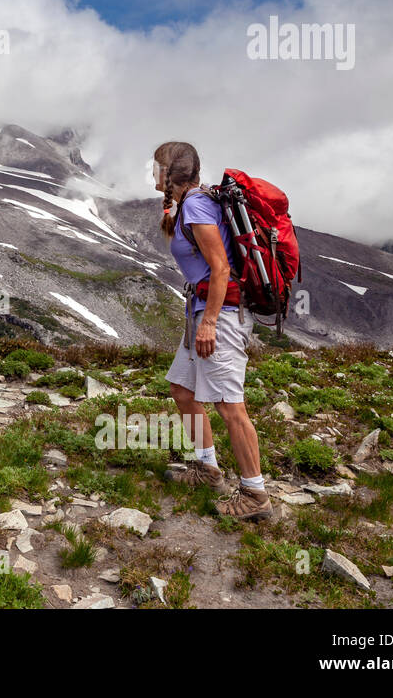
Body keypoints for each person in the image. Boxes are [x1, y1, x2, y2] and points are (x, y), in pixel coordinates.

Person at [153, 141, 272, 522]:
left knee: (229, 405)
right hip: (201, 310)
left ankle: (256, 495)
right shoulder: (188, 205)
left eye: (157, 167)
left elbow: (220, 268)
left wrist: (209, 324)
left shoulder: (198, 206)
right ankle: (208, 469)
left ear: (171, 173)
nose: (152, 173)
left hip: (220, 315)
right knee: (182, 390)